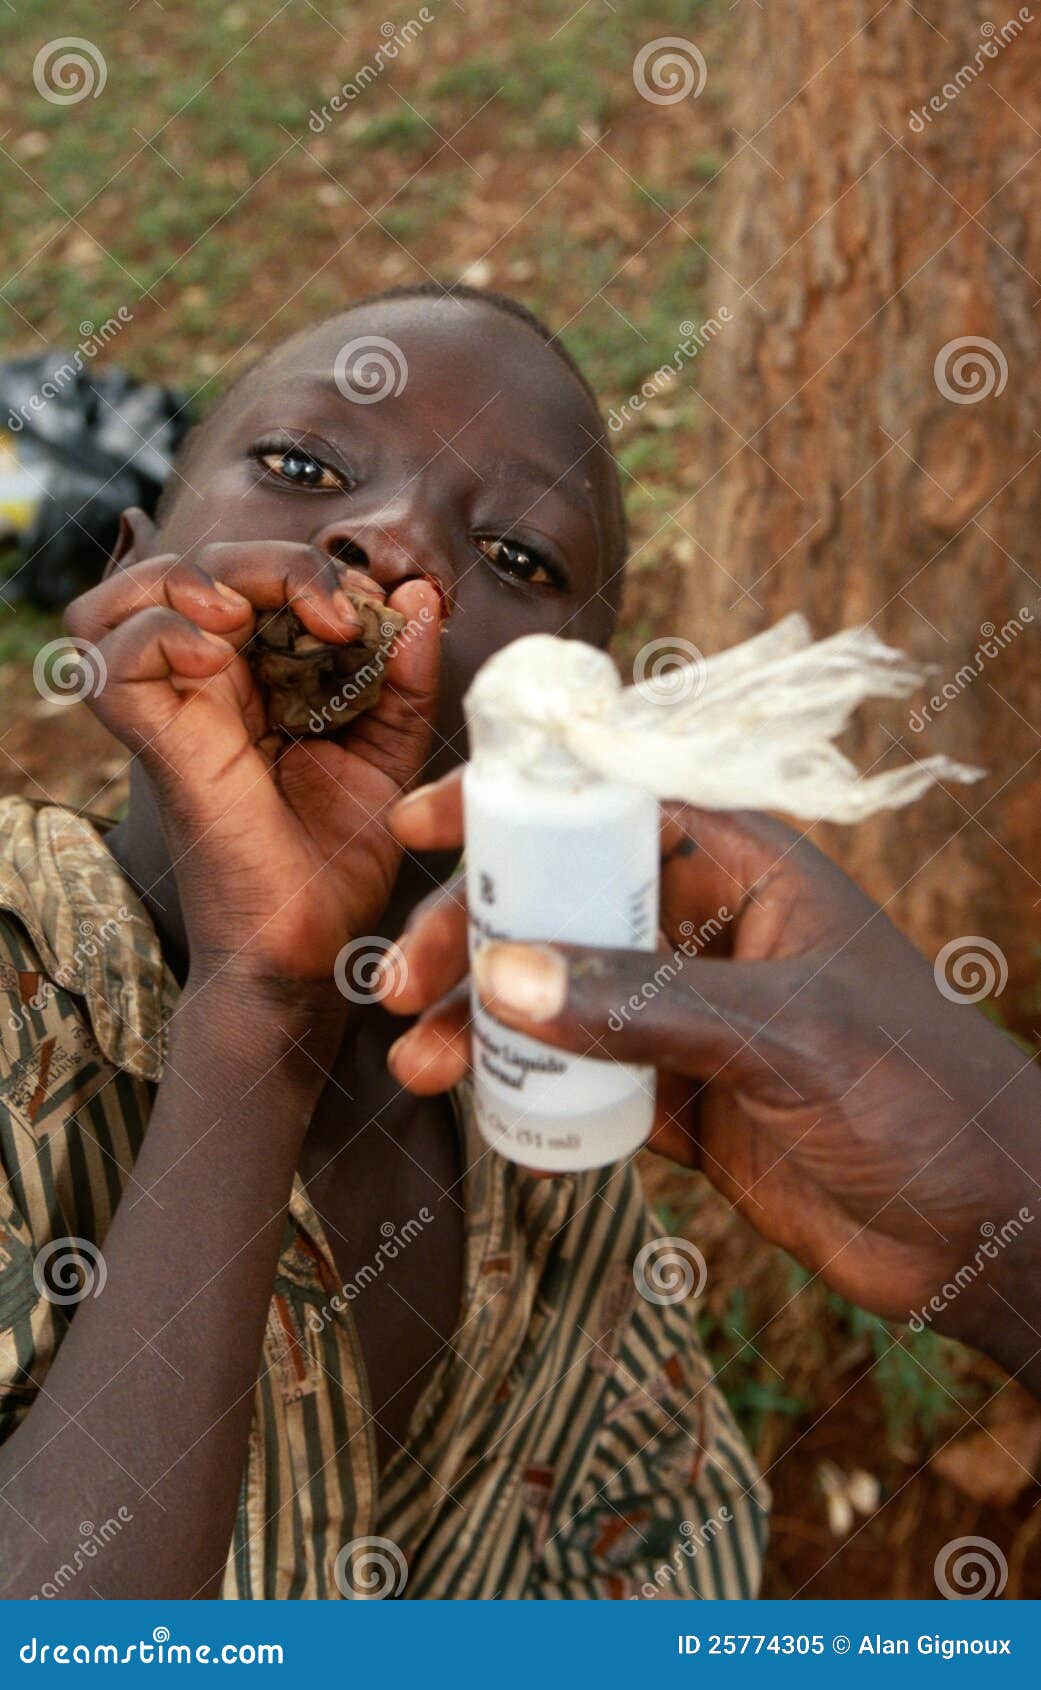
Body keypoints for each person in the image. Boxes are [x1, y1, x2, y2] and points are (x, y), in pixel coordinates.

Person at [0, 286, 1035, 1604]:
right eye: (302, 466)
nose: (388, 543)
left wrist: (1014, 1215)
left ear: (574, 729)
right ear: (123, 567)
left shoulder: (560, 1159)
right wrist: (254, 1004)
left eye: (518, 560)